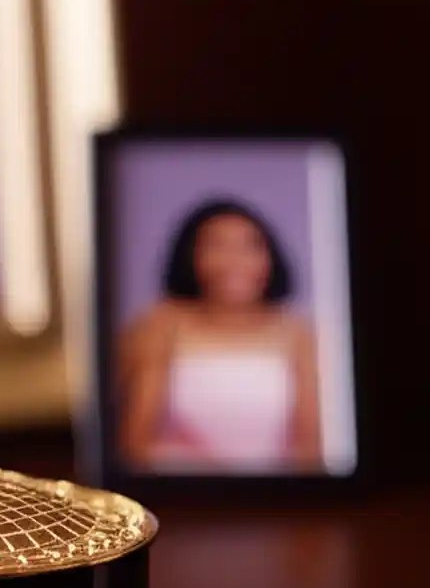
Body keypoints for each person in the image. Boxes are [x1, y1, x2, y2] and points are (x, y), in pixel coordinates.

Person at [118, 199, 323, 474]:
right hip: (181, 485)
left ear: (270, 258)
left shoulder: (298, 333)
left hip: (274, 488)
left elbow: (311, 449)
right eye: (217, 246)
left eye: (249, 247)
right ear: (192, 257)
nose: (234, 260)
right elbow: (135, 445)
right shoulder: (160, 326)